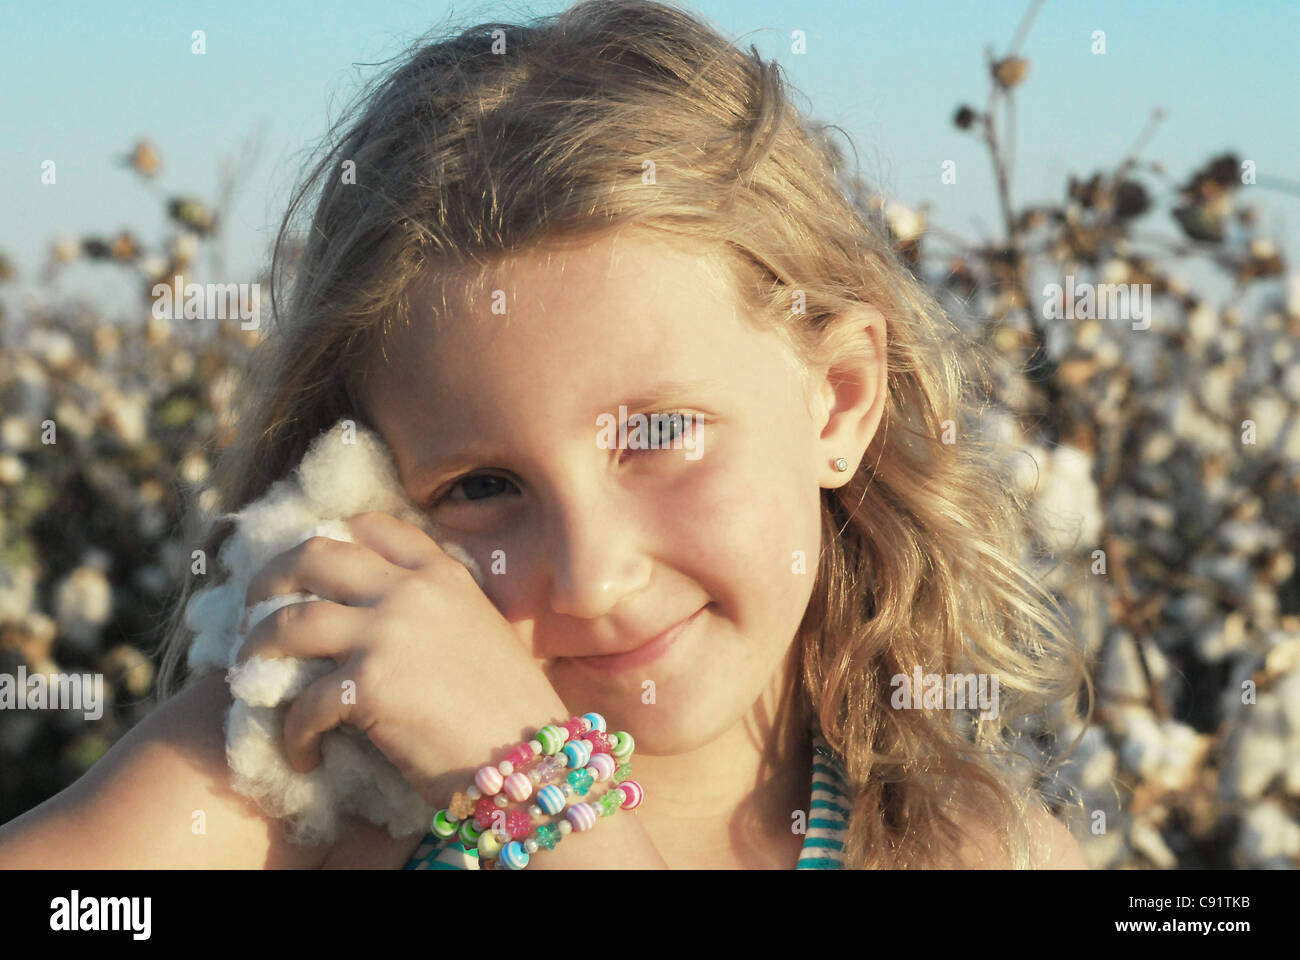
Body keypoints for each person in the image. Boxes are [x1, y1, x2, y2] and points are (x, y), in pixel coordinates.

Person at [0, 0, 1090, 870]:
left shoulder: (982, 855)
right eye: (479, 485)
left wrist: (531, 786)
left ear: (838, 401)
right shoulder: (292, 804)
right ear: (367, 494)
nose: (591, 575)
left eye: (659, 432)